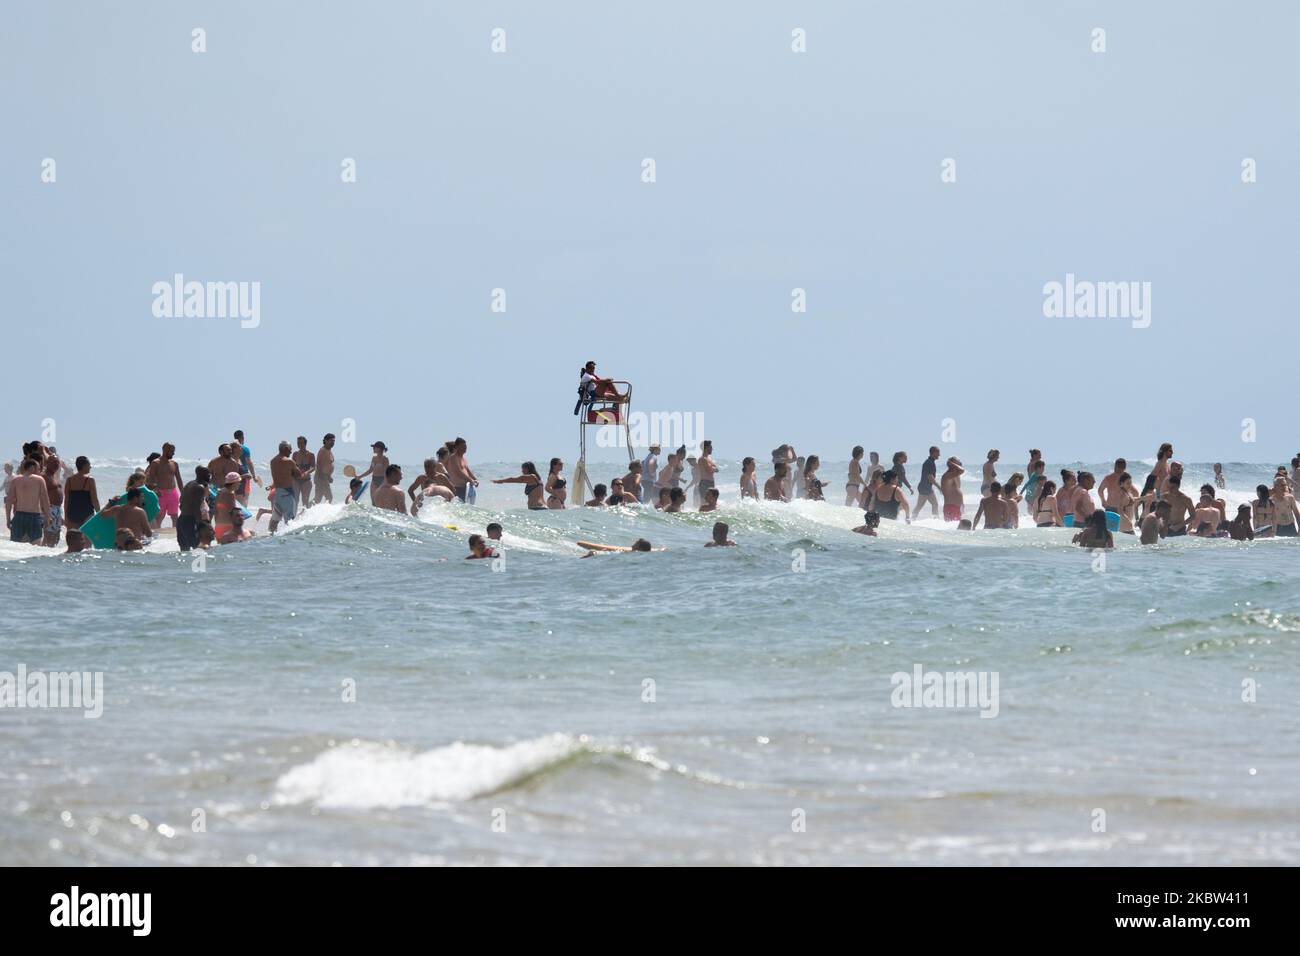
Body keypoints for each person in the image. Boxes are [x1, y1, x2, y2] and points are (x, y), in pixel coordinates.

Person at [5, 458, 51, 544]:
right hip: (34, 517)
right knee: (35, 547)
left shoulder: (15, 480)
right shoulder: (39, 479)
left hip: (19, 516)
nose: (39, 471)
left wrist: (8, 519)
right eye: (38, 468)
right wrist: (48, 517)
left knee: (16, 548)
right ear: (32, 468)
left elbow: (8, 501)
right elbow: (45, 500)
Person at [268, 441, 309, 529]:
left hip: (277, 493)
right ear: (285, 449)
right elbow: (298, 475)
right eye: (290, 450)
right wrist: (303, 473)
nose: (291, 452)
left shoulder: (272, 461)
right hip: (287, 494)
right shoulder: (289, 461)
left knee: (275, 519)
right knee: (290, 522)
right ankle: (289, 540)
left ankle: (270, 536)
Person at [63, 456, 99, 552]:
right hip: (87, 513)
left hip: (72, 513)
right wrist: (99, 515)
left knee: (72, 542)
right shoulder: (90, 480)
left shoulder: (69, 480)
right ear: (84, 466)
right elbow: (94, 499)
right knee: (87, 543)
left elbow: (66, 500)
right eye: (89, 465)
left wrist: (66, 516)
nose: (90, 467)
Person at [144, 442, 183, 530]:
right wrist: (155, 491)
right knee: (160, 517)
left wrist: (183, 494)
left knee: (175, 516)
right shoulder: (155, 463)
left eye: (174, 451)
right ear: (165, 450)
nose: (173, 453)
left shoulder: (174, 463)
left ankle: (175, 537)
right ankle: (157, 539)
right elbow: (150, 480)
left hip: (173, 493)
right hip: (160, 494)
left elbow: (179, 480)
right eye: (172, 451)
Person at [177, 466, 212, 552]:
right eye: (208, 475)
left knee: (184, 551)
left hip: (181, 520)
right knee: (198, 549)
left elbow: (181, 501)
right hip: (190, 521)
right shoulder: (199, 488)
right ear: (202, 475)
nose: (209, 477)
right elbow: (196, 508)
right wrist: (201, 525)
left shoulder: (189, 484)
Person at [446, 438, 480, 503]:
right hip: (456, 488)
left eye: (465, 446)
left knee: (466, 507)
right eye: (462, 446)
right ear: (456, 447)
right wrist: (470, 480)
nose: (464, 448)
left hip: (465, 488)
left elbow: (468, 471)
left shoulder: (464, 459)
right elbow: (458, 472)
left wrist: (476, 479)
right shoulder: (453, 457)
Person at [41, 453, 65, 546]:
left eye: (57, 462)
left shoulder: (53, 476)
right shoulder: (44, 477)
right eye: (54, 462)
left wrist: (60, 515)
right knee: (48, 537)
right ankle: (43, 557)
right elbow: (41, 495)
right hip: (50, 509)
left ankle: (52, 559)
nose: (56, 464)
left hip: (57, 510)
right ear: (47, 463)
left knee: (56, 538)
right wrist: (46, 513)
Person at [232, 429, 260, 504]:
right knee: (244, 500)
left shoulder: (229, 448)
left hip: (231, 477)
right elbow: (249, 463)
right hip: (244, 476)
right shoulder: (245, 449)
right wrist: (254, 476)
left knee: (233, 498)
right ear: (242, 438)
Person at [213, 472, 242, 541]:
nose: (240, 484)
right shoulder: (230, 494)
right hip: (228, 527)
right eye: (239, 482)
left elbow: (216, 510)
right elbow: (233, 513)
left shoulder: (219, 492)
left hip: (218, 526)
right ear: (234, 483)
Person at [915, 446, 941, 518]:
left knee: (934, 504)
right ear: (934, 453)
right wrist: (939, 487)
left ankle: (935, 519)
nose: (939, 455)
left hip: (926, 487)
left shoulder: (930, 462)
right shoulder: (929, 463)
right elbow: (930, 478)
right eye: (938, 453)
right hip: (925, 488)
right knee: (921, 506)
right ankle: (911, 519)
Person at [291, 437, 315, 509]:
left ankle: (306, 518)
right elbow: (292, 466)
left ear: (305, 443)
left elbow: (313, 467)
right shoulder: (295, 454)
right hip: (296, 480)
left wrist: (307, 472)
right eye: (298, 443)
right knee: (295, 500)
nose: (299, 444)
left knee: (305, 501)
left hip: (306, 481)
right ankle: (293, 518)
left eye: (301, 443)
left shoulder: (310, 455)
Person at [939, 457, 964, 522]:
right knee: (951, 530)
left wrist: (962, 504)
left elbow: (957, 490)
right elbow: (962, 470)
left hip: (957, 507)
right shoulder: (947, 475)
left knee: (957, 531)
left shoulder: (956, 475)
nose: (960, 463)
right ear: (952, 464)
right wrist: (951, 463)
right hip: (950, 507)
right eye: (958, 462)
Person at [314, 433, 336, 504]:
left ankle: (306, 511)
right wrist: (323, 478)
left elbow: (327, 465)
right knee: (329, 497)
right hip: (321, 477)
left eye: (334, 441)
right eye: (331, 441)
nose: (333, 443)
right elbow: (319, 465)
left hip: (324, 477)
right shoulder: (322, 450)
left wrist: (329, 476)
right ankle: (325, 513)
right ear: (325, 441)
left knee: (318, 498)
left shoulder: (329, 450)